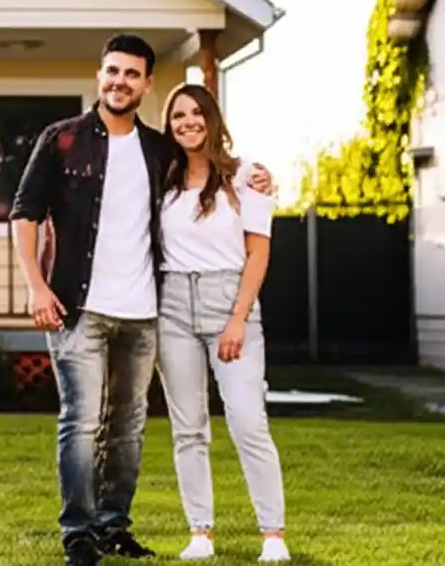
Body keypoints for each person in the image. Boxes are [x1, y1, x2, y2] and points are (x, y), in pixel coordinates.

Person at [8, 34, 273, 566]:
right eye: (112, 71)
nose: (119, 81)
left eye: (132, 74)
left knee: (128, 427)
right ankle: (79, 534)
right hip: (77, 307)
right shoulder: (62, 139)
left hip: (144, 312)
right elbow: (24, 214)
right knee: (81, 422)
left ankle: (114, 526)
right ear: (99, 75)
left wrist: (257, 175)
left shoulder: (159, 151)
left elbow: (208, 162)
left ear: (147, 84)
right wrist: (36, 286)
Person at [154, 83, 290, 563]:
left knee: (248, 421)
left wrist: (238, 319)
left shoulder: (246, 175)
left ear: (212, 118)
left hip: (230, 301)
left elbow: (258, 253)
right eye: (178, 116)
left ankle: (273, 535)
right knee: (188, 429)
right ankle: (200, 533)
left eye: (196, 113)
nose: (188, 122)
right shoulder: (163, 180)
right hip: (172, 306)